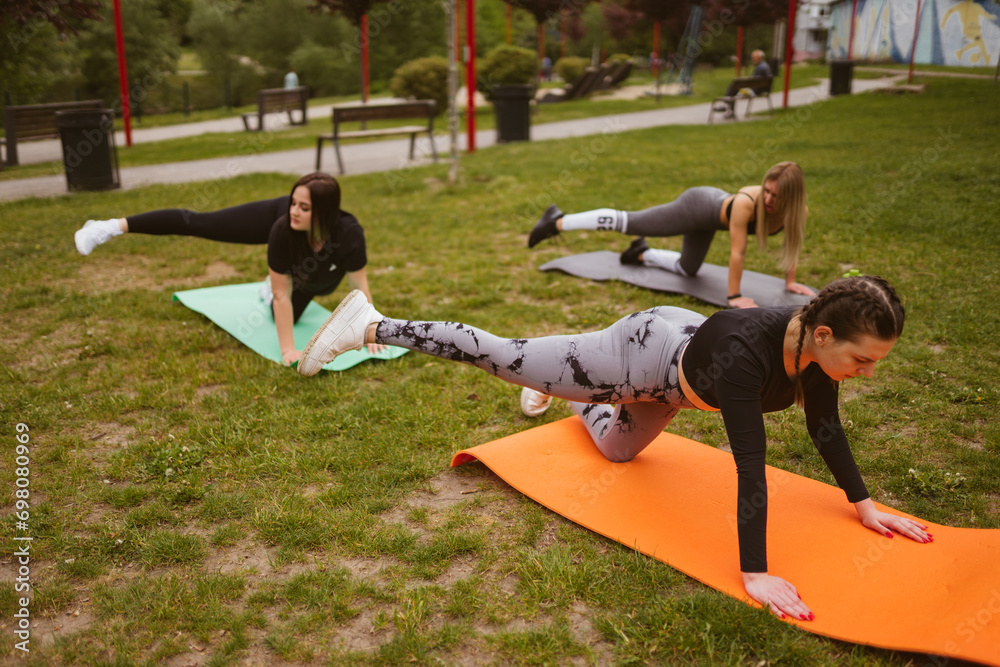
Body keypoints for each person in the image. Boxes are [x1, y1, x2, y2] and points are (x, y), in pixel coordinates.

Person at [296, 275, 932, 620]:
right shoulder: (750, 354)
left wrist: (865, 505)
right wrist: (756, 573)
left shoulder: (815, 355)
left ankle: (569, 394)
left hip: (679, 381)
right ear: (822, 334)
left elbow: (826, 428)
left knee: (618, 453)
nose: (867, 372)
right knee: (507, 358)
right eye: (863, 360)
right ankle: (371, 324)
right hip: (641, 354)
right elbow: (750, 465)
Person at [73, 172, 381, 365]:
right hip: (281, 236)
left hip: (310, 274)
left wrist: (371, 331)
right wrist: (288, 350)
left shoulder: (348, 234)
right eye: (293, 202)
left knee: (304, 293)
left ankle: (277, 277)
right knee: (201, 223)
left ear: (325, 213)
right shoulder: (283, 224)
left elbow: (359, 287)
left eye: (304, 207)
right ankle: (107, 227)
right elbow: (281, 297)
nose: (294, 211)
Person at [528, 162, 815, 309]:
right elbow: (737, 253)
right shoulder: (746, 203)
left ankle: (642, 253)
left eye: (776, 195)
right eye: (766, 191)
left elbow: (793, 244)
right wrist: (735, 296)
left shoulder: (798, 211)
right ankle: (557, 221)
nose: (768, 199)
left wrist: (790, 282)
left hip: (708, 223)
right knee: (633, 221)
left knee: (687, 270)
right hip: (696, 206)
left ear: (792, 197)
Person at [715, 49, 773, 119]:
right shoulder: (766, 66)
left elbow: (753, 81)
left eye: (755, 57)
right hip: (762, 90)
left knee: (734, 86)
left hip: (754, 91)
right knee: (735, 87)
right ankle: (728, 107)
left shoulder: (760, 68)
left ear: (760, 58)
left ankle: (727, 106)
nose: (753, 59)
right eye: (752, 57)